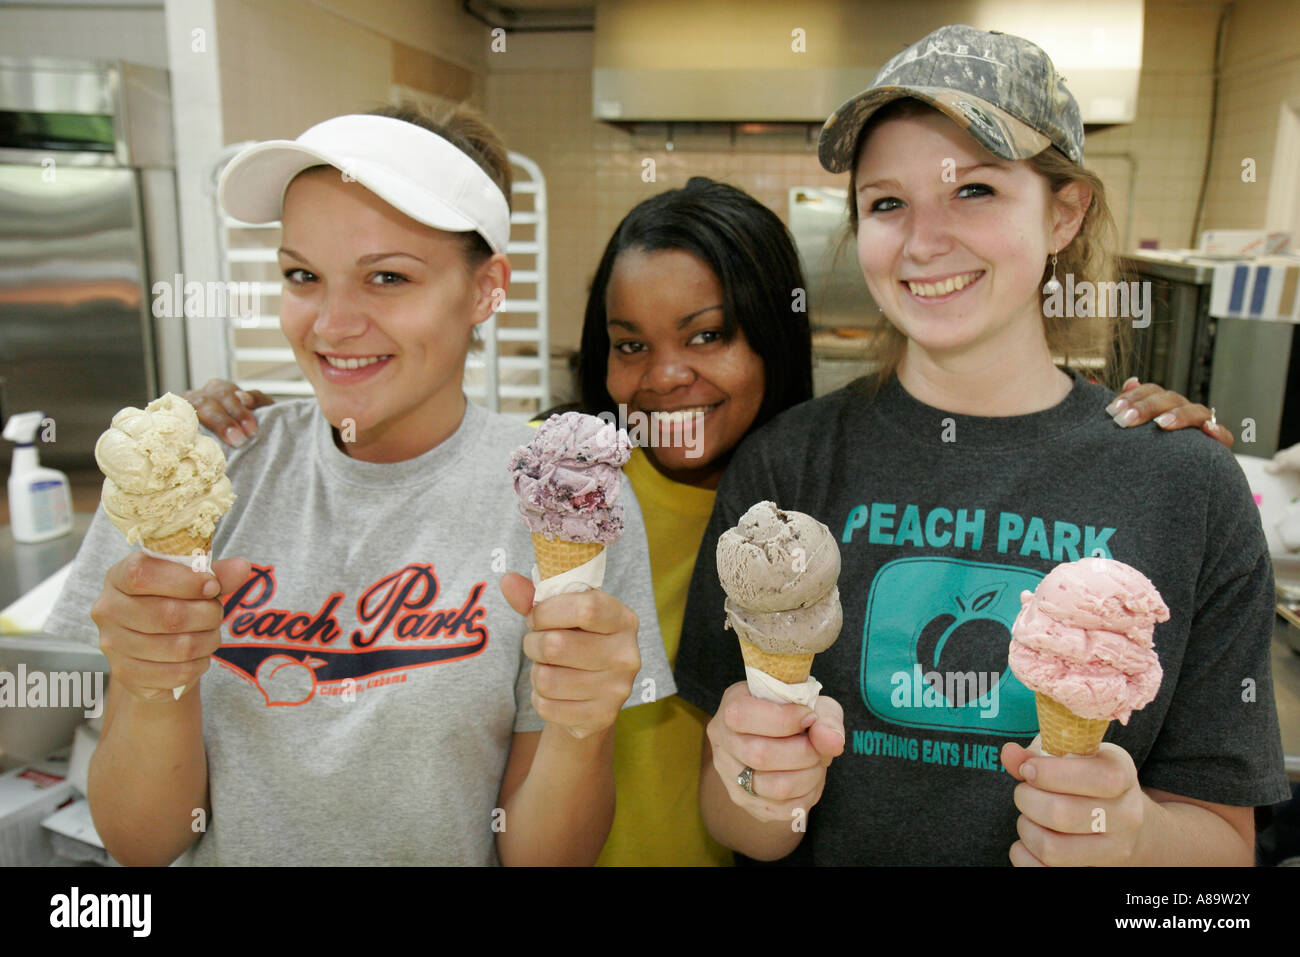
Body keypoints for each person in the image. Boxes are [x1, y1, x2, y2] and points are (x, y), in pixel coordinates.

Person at [191, 163, 1233, 867]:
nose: (663, 380)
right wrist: (229, 425)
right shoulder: (558, 490)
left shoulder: (815, 506)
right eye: (629, 343)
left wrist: (1142, 440)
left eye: (707, 334)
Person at [675, 24, 1290, 866]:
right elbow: (738, 822)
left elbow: (1222, 855)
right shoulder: (786, 470)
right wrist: (757, 786)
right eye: (887, 202)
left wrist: (1133, 836)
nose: (924, 241)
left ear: (1064, 212)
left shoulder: (1186, 484)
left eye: (975, 191)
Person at [42, 104, 674, 866]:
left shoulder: (562, 498)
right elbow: (142, 842)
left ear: (485, 291)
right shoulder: (194, 480)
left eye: (387, 277)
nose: (333, 324)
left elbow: (544, 858)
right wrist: (150, 685)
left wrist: (581, 726)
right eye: (302, 275)